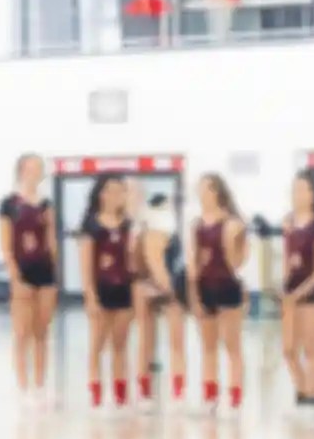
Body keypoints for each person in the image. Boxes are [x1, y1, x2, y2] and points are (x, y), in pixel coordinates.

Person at [0, 153, 58, 404]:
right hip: (22, 271)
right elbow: (6, 244)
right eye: (32, 167)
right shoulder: (9, 204)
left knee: (41, 331)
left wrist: (55, 273)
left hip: (45, 272)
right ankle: (23, 387)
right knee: (22, 332)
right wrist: (14, 275)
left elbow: (52, 240)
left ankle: (40, 385)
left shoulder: (46, 204)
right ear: (21, 170)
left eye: (39, 168)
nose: (36, 172)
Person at [186, 173, 248, 414]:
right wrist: (193, 296)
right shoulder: (197, 224)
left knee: (232, 346)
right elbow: (193, 263)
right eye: (199, 190)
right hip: (205, 288)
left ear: (217, 192)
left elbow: (237, 263)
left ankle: (235, 398)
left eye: (206, 189)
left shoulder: (233, 223)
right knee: (208, 347)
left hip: (228, 287)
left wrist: (230, 241)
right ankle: (209, 398)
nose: (201, 195)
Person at [78, 174, 136, 410]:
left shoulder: (129, 225)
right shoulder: (91, 225)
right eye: (111, 190)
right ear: (101, 194)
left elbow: (133, 259)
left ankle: (121, 397)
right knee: (97, 345)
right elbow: (85, 264)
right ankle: (96, 395)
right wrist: (90, 296)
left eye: (121, 191)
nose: (116, 196)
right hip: (101, 289)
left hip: (124, 289)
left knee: (120, 345)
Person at [133, 193, 189, 407]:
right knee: (168, 344)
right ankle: (169, 393)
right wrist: (171, 290)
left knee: (150, 343)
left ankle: (155, 393)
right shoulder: (157, 230)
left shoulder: (152, 229)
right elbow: (155, 262)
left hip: (148, 286)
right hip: (159, 287)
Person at [281, 170, 314, 411]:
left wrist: (301, 292)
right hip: (289, 295)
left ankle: (313, 394)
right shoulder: (288, 222)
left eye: (302, 189)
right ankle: (301, 387)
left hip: (309, 296)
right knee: (288, 349)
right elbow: (287, 258)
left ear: (312, 193)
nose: (297, 194)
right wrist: (285, 289)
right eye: (294, 189)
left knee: (311, 350)